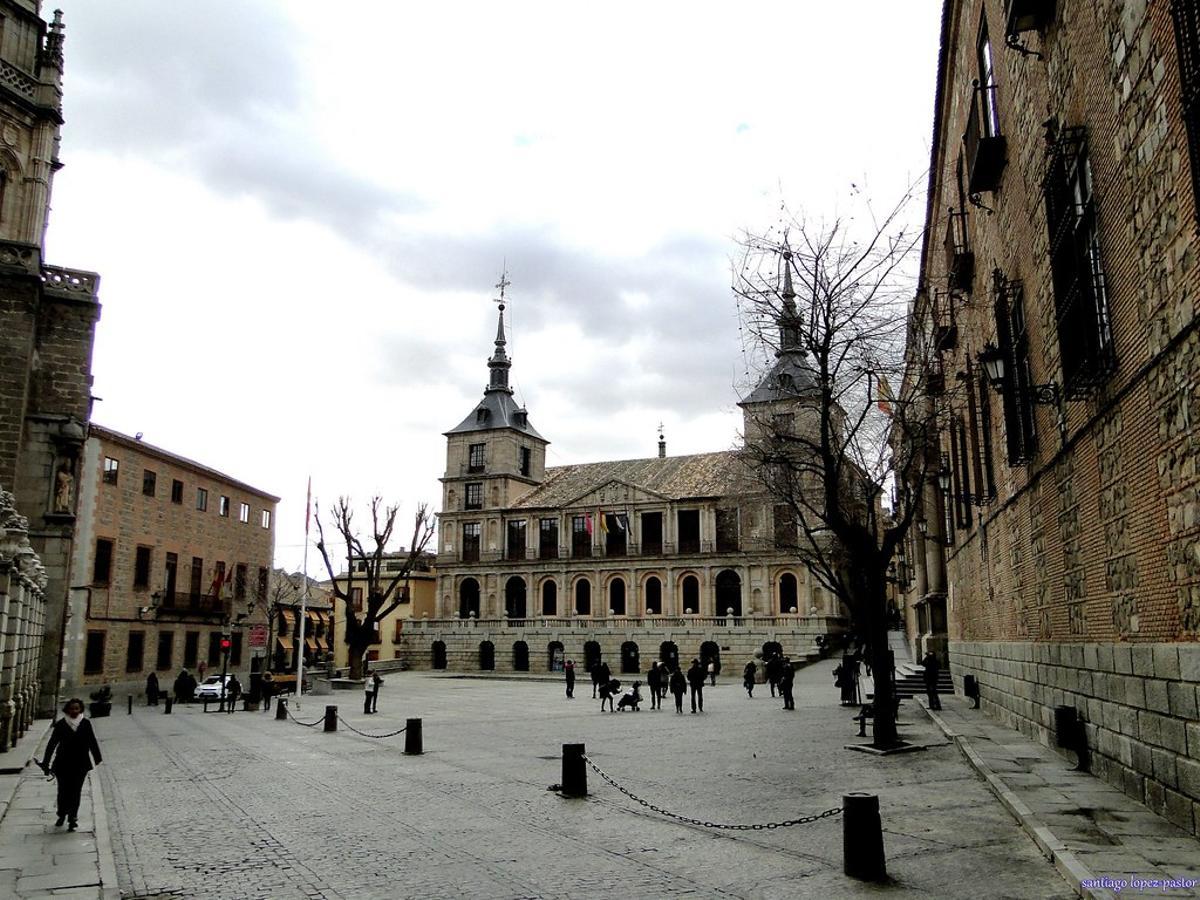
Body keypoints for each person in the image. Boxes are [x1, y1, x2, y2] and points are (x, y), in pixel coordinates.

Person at [39, 698, 102, 832]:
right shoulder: (61, 725)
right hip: (63, 763)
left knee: (76, 791)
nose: (74, 711)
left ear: (80, 710)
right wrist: (46, 762)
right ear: (67, 709)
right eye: (71, 708)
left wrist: (97, 757)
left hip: (81, 763)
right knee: (63, 790)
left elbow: (92, 741)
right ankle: (61, 813)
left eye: (76, 708)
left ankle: (73, 817)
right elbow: (52, 744)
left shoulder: (85, 723)